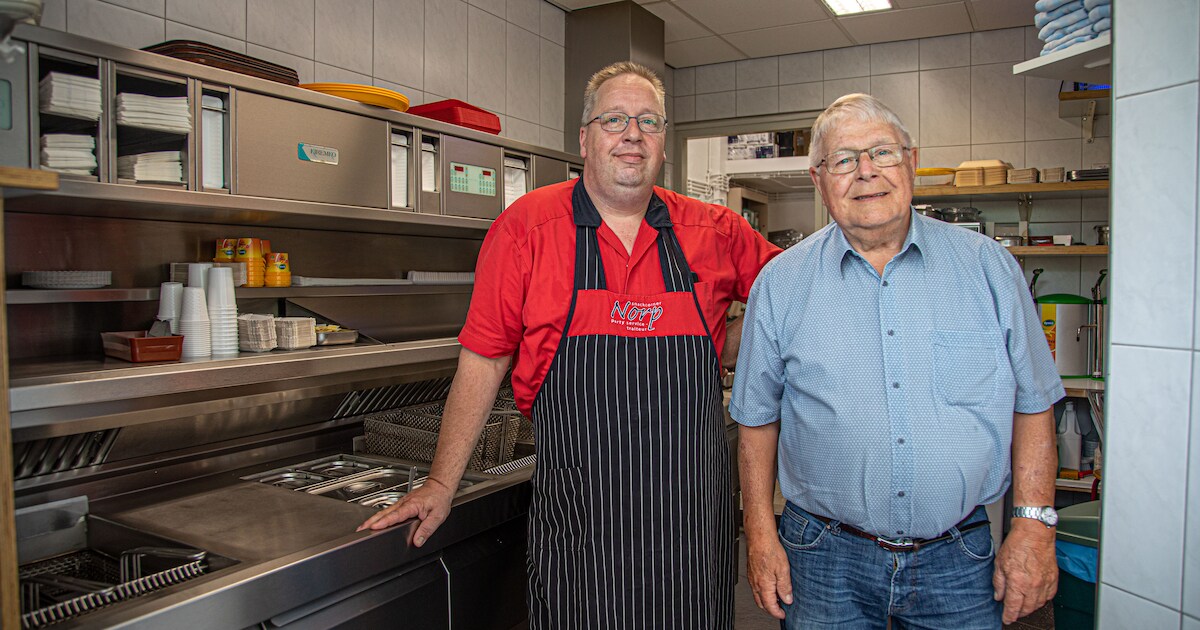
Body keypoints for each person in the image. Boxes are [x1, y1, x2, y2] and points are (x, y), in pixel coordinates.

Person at [359, 60, 780, 628]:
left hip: (690, 534)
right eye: (614, 119)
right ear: (584, 139)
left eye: (648, 122)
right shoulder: (527, 228)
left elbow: (793, 305)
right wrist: (440, 482)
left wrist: (734, 340)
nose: (632, 134)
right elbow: (484, 360)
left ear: (662, 143)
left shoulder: (716, 231)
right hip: (581, 531)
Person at [731, 93, 1064, 629]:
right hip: (821, 559)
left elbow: (1034, 404)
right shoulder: (781, 283)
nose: (865, 173)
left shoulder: (990, 270)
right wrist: (760, 535)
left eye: (881, 153)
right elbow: (755, 419)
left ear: (911, 162)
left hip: (959, 557)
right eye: (843, 160)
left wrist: (1033, 525)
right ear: (819, 181)